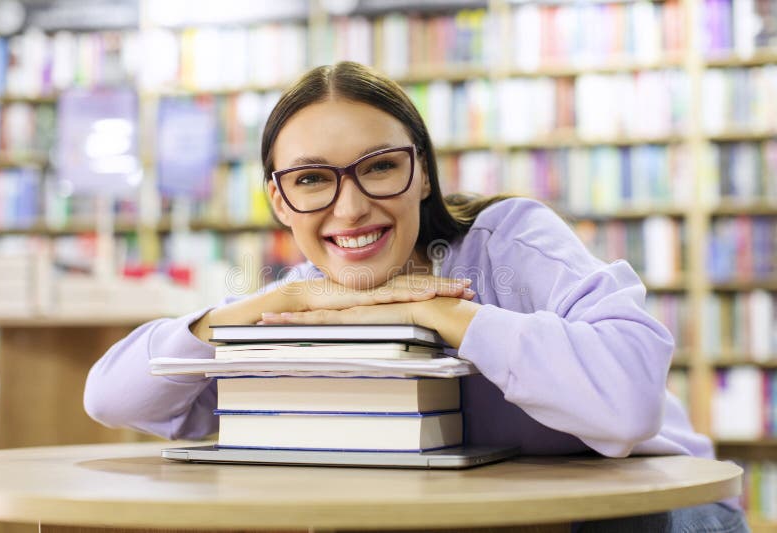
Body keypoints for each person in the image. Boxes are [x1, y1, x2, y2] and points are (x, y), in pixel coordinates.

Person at [84, 61, 749, 532]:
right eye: (313, 179)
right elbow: (110, 397)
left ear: (422, 172)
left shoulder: (508, 242)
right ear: (281, 201)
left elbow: (628, 402)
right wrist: (245, 312)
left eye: (379, 167)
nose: (351, 206)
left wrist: (437, 311)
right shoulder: (302, 301)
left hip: (642, 509)